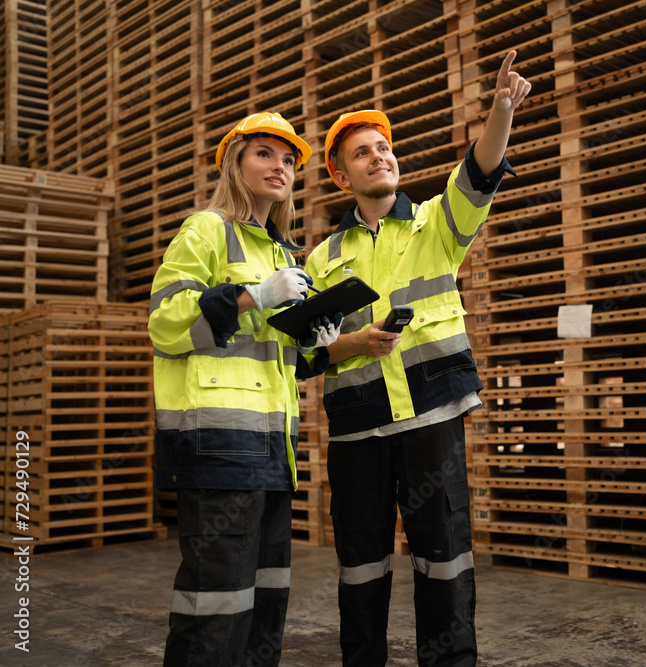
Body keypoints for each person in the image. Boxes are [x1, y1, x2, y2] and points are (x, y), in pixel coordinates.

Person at [305, 51, 531, 666]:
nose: (380, 156)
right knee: (360, 564)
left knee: (444, 557)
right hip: (358, 431)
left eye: (384, 146)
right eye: (363, 152)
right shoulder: (321, 259)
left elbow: (479, 171)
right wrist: (353, 342)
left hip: (431, 417)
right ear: (341, 176)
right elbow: (307, 350)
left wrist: (501, 112)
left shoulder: (436, 223)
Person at [148, 111, 340, 667]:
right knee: (216, 599)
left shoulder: (282, 254)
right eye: (265, 154)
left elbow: (274, 358)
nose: (279, 167)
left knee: (263, 597)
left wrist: (310, 339)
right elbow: (165, 324)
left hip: (272, 450)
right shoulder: (205, 229)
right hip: (215, 444)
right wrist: (252, 296)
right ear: (235, 162)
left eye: (288, 161)